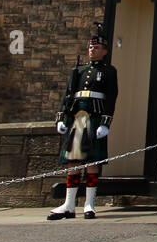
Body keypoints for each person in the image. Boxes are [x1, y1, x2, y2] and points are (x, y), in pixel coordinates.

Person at [48, 23, 118, 220]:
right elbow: (68, 95)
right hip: (78, 116)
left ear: (104, 51)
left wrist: (106, 123)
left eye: (96, 48)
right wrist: (61, 117)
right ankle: (69, 204)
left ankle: (89, 203)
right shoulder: (78, 70)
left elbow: (111, 98)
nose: (92, 50)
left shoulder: (109, 71)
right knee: (73, 160)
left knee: (92, 161)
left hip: (95, 116)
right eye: (90, 47)